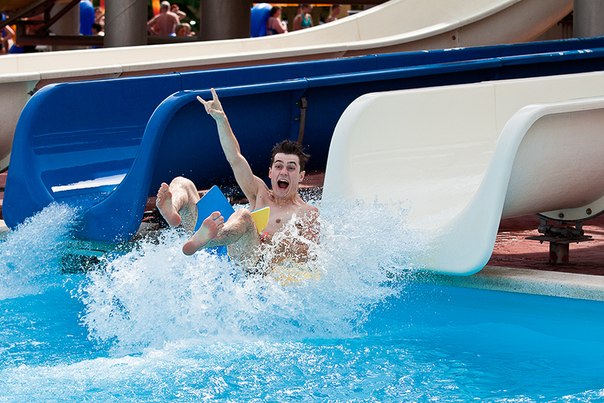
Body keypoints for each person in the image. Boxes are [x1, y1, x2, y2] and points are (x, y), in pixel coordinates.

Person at [156, 89, 320, 269]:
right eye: (279, 166)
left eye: (291, 168)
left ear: (301, 176)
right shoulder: (259, 192)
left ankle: (208, 237)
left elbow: (309, 258)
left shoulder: (307, 212)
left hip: (255, 266)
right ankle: (172, 211)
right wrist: (221, 119)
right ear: (270, 173)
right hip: (220, 250)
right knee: (182, 183)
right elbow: (235, 158)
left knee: (244, 215)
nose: (284, 172)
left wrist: (272, 244)